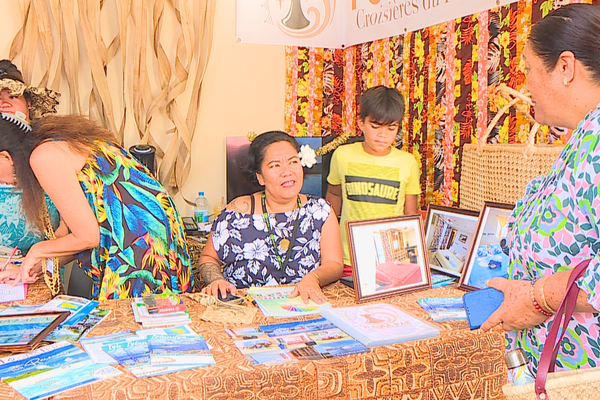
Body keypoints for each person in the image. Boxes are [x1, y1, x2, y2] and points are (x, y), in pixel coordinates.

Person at [481, 3, 600, 374]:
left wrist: (537, 299)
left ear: (565, 68)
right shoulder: (583, 140)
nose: (527, 84)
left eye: (531, 70)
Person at [0, 113, 193, 300]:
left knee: (129, 324)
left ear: (5, 157)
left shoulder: (44, 157)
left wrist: (37, 250)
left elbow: (87, 238)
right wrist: (30, 266)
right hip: (151, 229)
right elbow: (71, 240)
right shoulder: (57, 143)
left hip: (139, 239)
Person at [198, 130, 343, 304]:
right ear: (260, 177)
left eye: (293, 162)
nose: (287, 171)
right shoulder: (236, 212)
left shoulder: (321, 211)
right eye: (275, 165)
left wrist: (314, 278)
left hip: (302, 304)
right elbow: (208, 258)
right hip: (243, 308)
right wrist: (216, 280)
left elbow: (334, 264)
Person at [326, 85, 420, 277]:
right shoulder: (342, 155)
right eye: (375, 127)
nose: (382, 135)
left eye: (391, 128)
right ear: (361, 123)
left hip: (389, 260)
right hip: (346, 258)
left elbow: (410, 215)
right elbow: (334, 193)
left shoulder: (408, 162)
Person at [0, 59, 61, 254]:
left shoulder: (50, 146)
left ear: (28, 103)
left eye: (13, 95)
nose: (4, 103)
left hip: (38, 267)